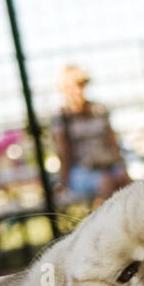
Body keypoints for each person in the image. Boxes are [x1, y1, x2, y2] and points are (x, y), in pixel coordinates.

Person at [52, 65, 127, 207]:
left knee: (125, 182)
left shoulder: (99, 109)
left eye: (82, 84)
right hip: (82, 172)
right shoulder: (61, 117)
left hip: (109, 166)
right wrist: (62, 182)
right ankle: (102, 223)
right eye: (73, 86)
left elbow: (113, 143)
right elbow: (63, 152)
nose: (78, 90)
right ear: (64, 89)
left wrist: (122, 167)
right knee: (106, 182)